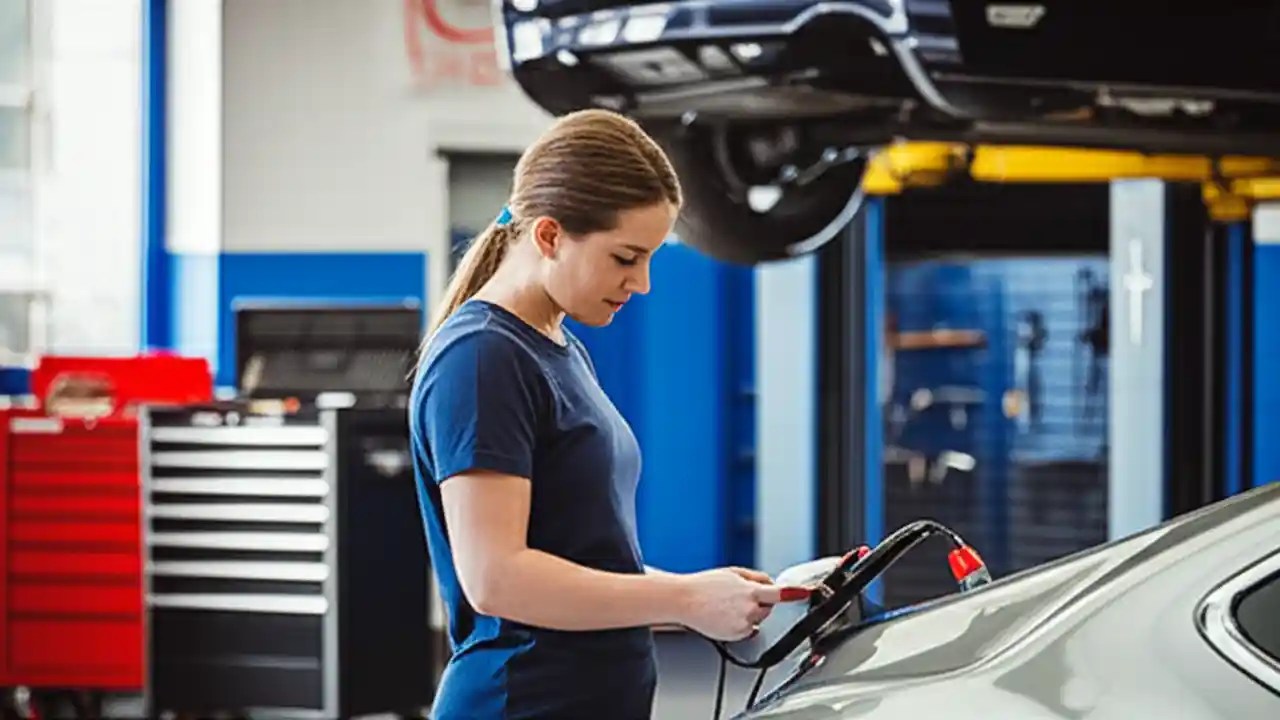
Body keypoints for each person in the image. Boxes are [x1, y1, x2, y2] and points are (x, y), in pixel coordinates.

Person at [408, 109, 786, 719]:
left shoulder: (556, 345)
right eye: (625, 258)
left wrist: (704, 596)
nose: (642, 283)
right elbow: (497, 577)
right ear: (550, 236)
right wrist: (683, 598)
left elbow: (584, 557)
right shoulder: (482, 358)